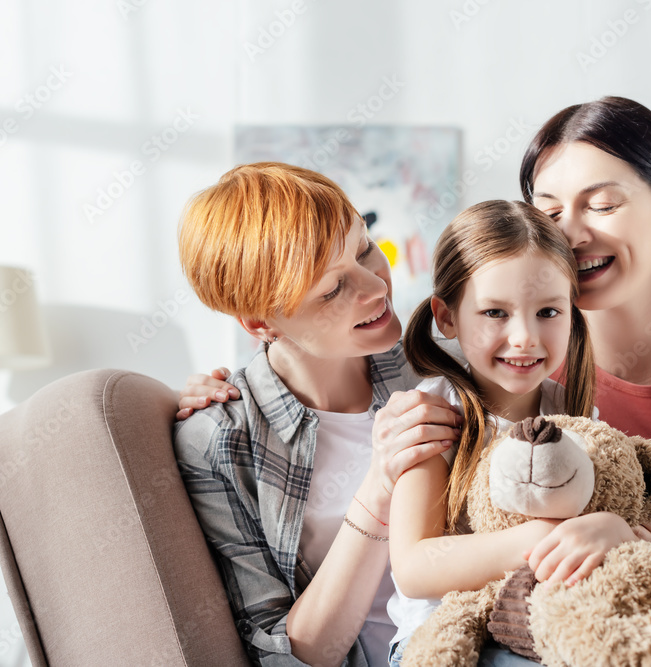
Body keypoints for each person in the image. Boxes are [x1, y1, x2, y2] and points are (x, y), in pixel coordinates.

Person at [179, 98, 651, 664]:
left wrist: (629, 534)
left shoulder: (533, 377)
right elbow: (376, 592)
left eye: (369, 252)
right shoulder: (445, 387)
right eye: (552, 210)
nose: (374, 290)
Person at [173, 161, 465, 667]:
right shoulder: (220, 440)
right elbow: (292, 655)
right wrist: (379, 486)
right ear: (261, 322)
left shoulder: (442, 356)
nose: (376, 287)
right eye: (331, 290)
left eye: (365, 248)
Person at [385, 199, 651, 666]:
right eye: (495, 313)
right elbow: (413, 568)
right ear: (447, 316)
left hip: (543, 624)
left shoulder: (574, 413)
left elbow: (634, 522)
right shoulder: (434, 413)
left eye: (548, 312)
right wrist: (553, 535)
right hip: (445, 639)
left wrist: (616, 531)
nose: (525, 337)